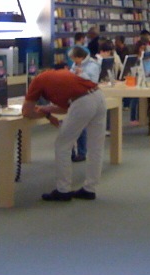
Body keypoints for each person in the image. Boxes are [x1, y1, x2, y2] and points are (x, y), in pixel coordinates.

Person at [22, 68, 107, 201]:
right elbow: (67, 108)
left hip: (83, 102)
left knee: (62, 145)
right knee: (96, 146)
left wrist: (44, 113)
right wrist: (47, 111)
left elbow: (27, 112)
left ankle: (63, 190)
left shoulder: (37, 81)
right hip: (98, 96)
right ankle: (90, 189)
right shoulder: (61, 75)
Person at [69, 46, 100, 162]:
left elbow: (93, 82)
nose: (73, 62)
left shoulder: (93, 65)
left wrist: (81, 74)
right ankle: (71, 152)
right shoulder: (76, 64)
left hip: (87, 97)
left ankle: (82, 152)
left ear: (80, 57)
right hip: (74, 96)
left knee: (81, 126)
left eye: (74, 59)